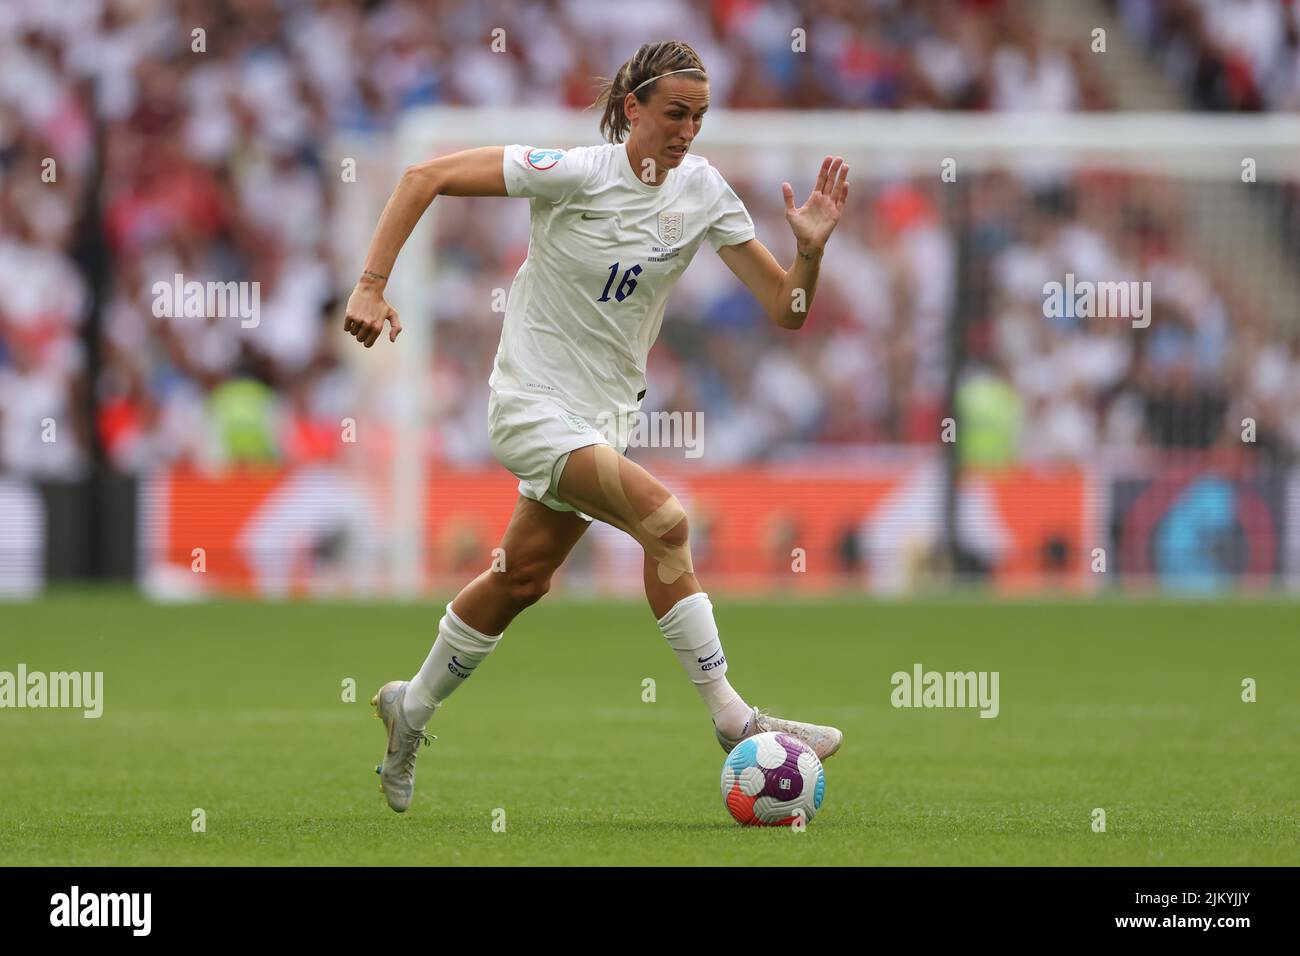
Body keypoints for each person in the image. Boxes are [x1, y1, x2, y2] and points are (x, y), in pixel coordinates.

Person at [344, 40, 850, 813]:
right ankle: (733, 717)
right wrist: (373, 285)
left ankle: (407, 711)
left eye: (699, 116)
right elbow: (426, 176)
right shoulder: (576, 174)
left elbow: (788, 312)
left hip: (604, 418)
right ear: (632, 108)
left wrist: (808, 255)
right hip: (531, 406)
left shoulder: (705, 192)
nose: (687, 130)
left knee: (521, 579)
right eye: (674, 113)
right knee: (667, 522)